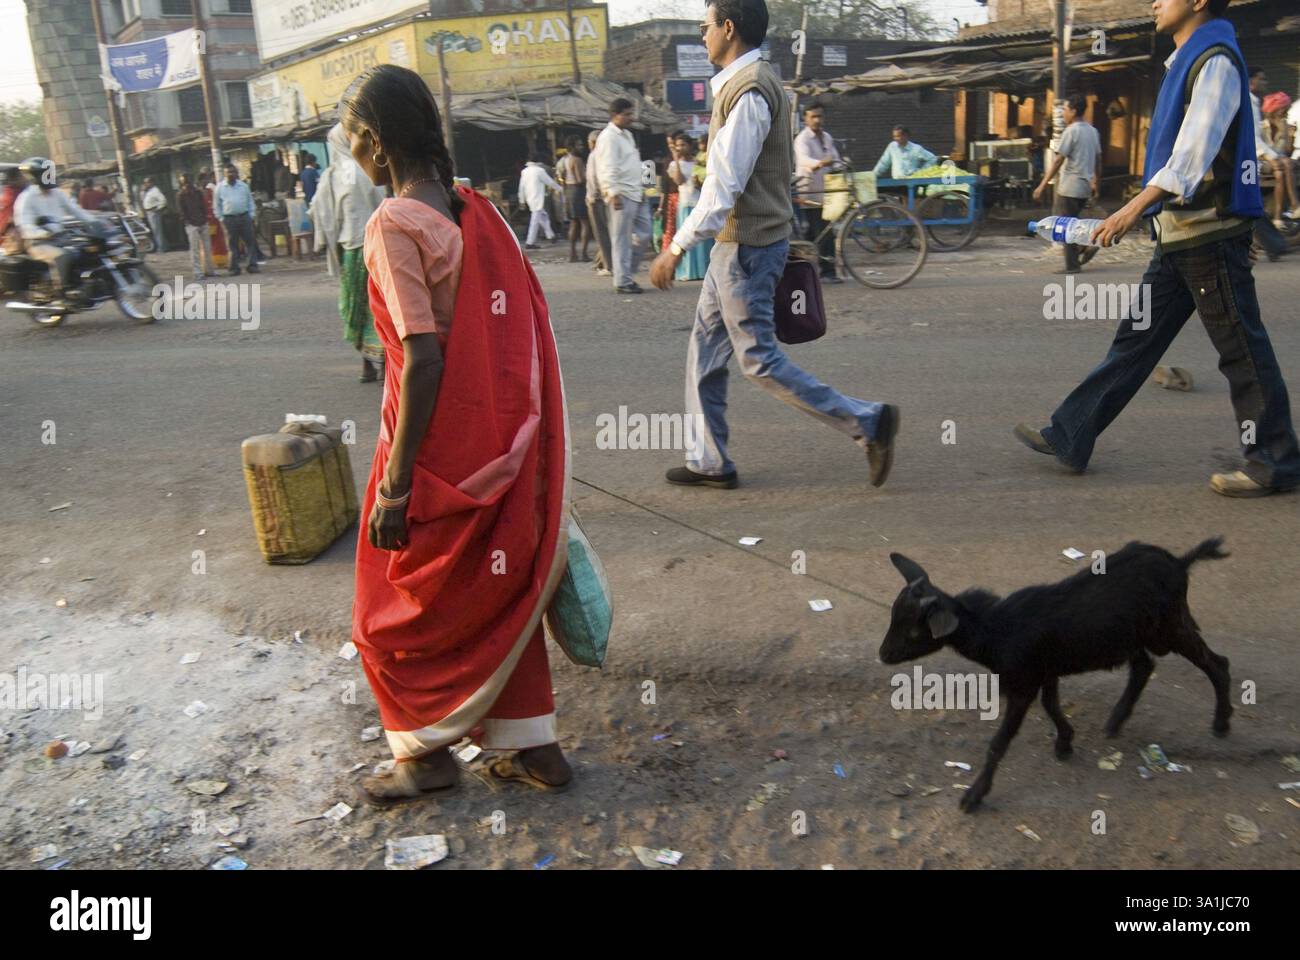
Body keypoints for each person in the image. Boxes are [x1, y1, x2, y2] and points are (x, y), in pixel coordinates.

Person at [339, 63, 573, 803]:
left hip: (432, 450)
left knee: (390, 615)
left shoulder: (393, 225)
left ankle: (424, 757)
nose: (351, 156)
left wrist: (398, 485)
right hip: (503, 446)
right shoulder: (475, 213)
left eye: (351, 141)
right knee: (496, 591)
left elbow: (422, 356)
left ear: (375, 142)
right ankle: (533, 746)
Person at [1014, 0, 1300, 499]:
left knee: (1241, 351)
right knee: (1135, 342)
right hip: (1181, 236)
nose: (1153, 3)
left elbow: (1192, 156)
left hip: (1207, 238)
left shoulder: (1214, 59)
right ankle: (1071, 434)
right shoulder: (1187, 59)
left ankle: (1274, 461)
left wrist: (1127, 213)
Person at [650, 0, 899, 489]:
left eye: (705, 27)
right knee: (704, 352)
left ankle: (867, 421)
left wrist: (677, 247)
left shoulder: (748, 93)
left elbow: (724, 187)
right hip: (739, 246)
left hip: (744, 248)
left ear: (728, 27)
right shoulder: (754, 83)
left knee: (758, 360)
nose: (702, 36)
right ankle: (708, 461)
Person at [312, 122, 388, 381]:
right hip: (378, 246)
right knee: (381, 305)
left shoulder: (334, 175)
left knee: (355, 306)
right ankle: (383, 363)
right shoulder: (368, 169)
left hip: (353, 248)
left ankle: (368, 363)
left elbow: (321, 212)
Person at [1033, 92, 1103, 273]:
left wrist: (1042, 185)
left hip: (1069, 187)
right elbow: (1098, 160)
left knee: (1063, 227)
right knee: (1073, 222)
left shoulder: (1071, 132)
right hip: (1085, 186)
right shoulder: (1092, 131)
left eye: (1065, 109)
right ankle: (1085, 246)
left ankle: (1073, 265)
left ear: (1073, 111)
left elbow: (1058, 160)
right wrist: (1096, 182)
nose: (1063, 113)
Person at [14, 156, 99, 304]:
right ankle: (64, 292)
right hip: (37, 242)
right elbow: (24, 225)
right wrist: (42, 234)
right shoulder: (26, 198)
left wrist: (95, 222)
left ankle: (82, 286)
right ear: (35, 176)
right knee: (63, 255)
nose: (50, 176)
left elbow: (75, 210)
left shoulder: (57, 193)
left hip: (60, 237)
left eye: (51, 173)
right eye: (46, 173)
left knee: (86, 250)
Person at [595, 97, 652, 294]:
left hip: (636, 191)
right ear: (614, 115)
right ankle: (623, 281)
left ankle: (627, 272)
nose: (630, 118)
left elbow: (634, 164)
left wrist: (643, 187)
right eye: (626, 114)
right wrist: (612, 192)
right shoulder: (608, 137)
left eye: (630, 114)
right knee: (621, 239)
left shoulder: (627, 135)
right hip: (620, 194)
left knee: (645, 235)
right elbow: (606, 167)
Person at [794, 102, 843, 283]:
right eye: (813, 116)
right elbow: (804, 159)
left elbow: (835, 159)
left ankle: (817, 271)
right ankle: (824, 272)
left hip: (825, 192)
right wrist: (821, 163)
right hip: (808, 192)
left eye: (819, 116)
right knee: (816, 233)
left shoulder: (827, 138)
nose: (817, 120)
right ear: (806, 119)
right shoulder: (802, 139)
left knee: (820, 232)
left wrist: (839, 165)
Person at [1248, 68, 1299, 221]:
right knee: (1283, 166)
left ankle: (1279, 217)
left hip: (1270, 160)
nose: (1266, 83)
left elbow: (1284, 148)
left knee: (1281, 171)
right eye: (1262, 79)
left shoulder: (1282, 125)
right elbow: (1254, 139)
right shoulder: (1251, 106)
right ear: (1252, 81)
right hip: (1257, 161)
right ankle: (1294, 206)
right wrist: (1273, 158)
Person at [668, 134, 710, 281]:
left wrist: (700, 183)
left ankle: (704, 271)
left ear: (690, 146)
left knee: (703, 240)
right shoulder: (674, 165)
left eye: (683, 145)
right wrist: (675, 158)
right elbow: (679, 181)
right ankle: (687, 272)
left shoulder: (699, 162)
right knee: (687, 238)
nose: (680, 148)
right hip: (685, 204)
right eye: (678, 145)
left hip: (700, 203)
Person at [213, 164, 260, 276]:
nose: (231, 174)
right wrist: (221, 218)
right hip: (229, 219)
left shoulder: (243, 186)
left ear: (236, 173)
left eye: (233, 172)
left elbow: (250, 202)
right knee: (232, 245)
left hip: (244, 217)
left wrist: (251, 215)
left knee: (250, 242)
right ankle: (233, 268)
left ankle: (252, 266)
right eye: (228, 172)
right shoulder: (219, 188)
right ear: (224, 174)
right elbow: (217, 206)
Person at [584, 129, 613, 277]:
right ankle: (602, 262)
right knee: (606, 233)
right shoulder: (605, 154)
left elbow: (593, 178)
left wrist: (593, 196)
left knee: (601, 234)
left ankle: (608, 265)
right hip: (605, 198)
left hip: (597, 199)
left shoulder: (594, 155)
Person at [558, 136, 590, 262]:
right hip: (579, 191)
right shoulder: (577, 160)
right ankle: (584, 254)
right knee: (585, 223)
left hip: (569, 191)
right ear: (572, 146)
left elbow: (563, 178)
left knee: (573, 223)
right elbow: (580, 179)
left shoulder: (564, 160)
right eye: (579, 144)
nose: (581, 147)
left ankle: (572, 254)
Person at [177, 174, 215, 280]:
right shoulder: (181, 195)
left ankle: (210, 271)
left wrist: (205, 218)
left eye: (188, 181)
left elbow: (203, 206)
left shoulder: (198, 192)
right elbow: (182, 211)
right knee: (195, 250)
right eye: (185, 182)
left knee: (208, 248)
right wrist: (187, 222)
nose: (187, 184)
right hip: (192, 224)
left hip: (202, 222)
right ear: (182, 184)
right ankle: (198, 272)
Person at [517, 155, 560, 249]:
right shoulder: (539, 171)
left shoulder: (524, 171)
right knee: (535, 221)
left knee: (543, 217)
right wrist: (560, 189)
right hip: (538, 199)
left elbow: (521, 187)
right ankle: (530, 242)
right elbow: (550, 182)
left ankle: (551, 236)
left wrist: (522, 200)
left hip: (530, 198)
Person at [873, 125, 937, 179]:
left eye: (898, 136)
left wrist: (921, 171)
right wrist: (873, 176)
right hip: (896, 182)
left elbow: (932, 158)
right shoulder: (892, 147)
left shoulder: (916, 148)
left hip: (913, 182)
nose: (895, 138)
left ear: (905, 135)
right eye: (894, 136)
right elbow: (883, 163)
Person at [0, 165, 28, 252]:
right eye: (22, 176)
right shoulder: (11, 197)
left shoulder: (25, 193)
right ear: (14, 180)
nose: (25, 179)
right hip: (12, 240)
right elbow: (7, 222)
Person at [142, 176, 168, 252]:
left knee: (157, 231)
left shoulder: (155, 190)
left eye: (147, 182)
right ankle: (164, 246)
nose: (145, 184)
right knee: (156, 230)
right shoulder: (149, 191)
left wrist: (158, 209)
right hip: (149, 212)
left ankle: (161, 248)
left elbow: (163, 200)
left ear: (151, 182)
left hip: (154, 212)